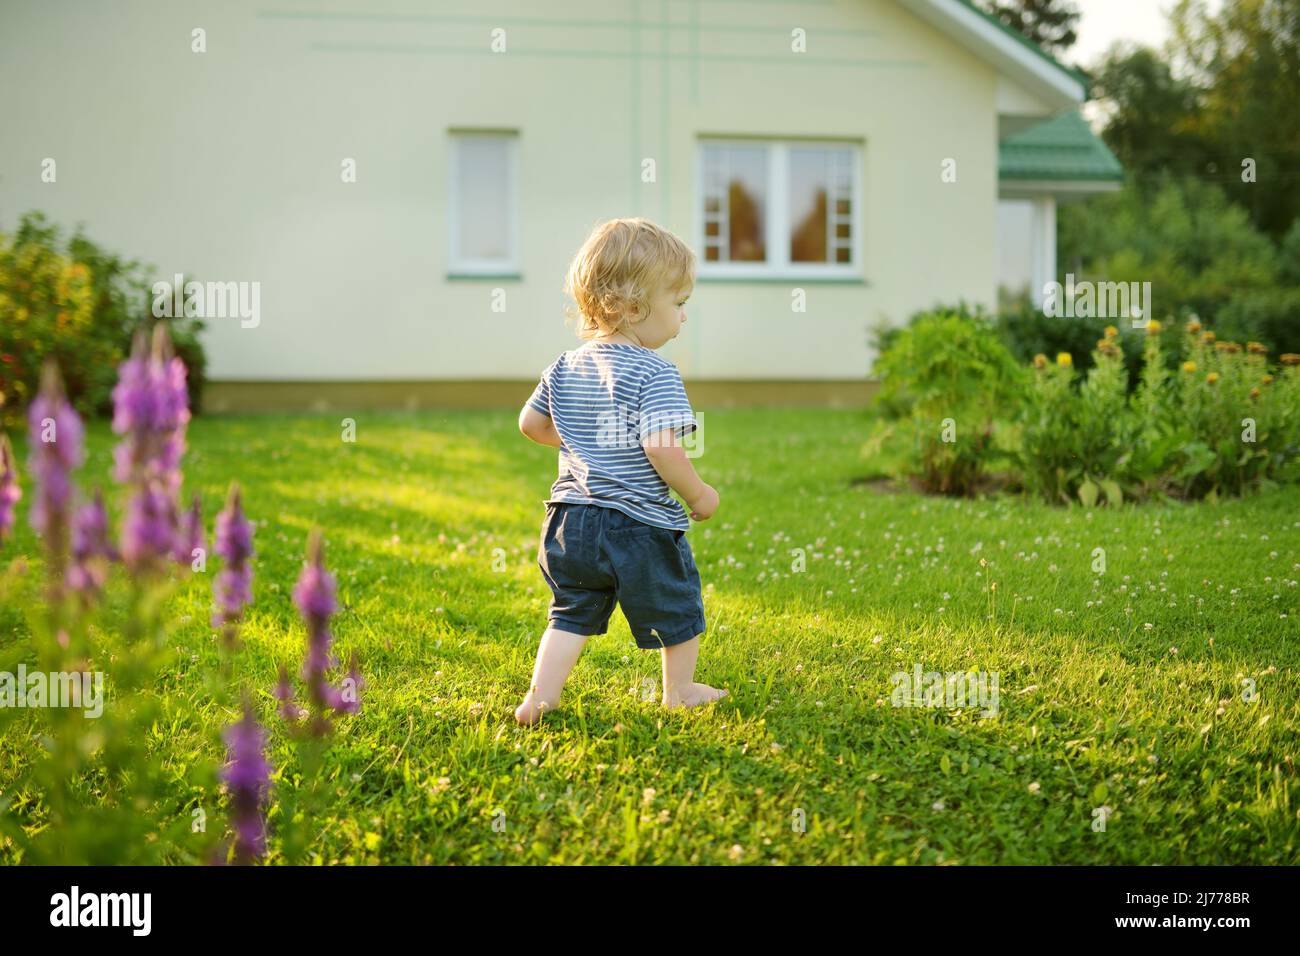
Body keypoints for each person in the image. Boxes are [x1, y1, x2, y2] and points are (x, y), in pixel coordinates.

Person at [514, 218, 727, 725]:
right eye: (678, 304)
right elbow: (661, 447)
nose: (683, 317)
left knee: (570, 613)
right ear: (634, 306)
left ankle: (540, 698)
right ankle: (680, 690)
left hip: (569, 521)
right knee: (677, 608)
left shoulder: (565, 365)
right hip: (637, 525)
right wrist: (698, 494)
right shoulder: (655, 371)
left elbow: (530, 424)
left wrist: (584, 442)